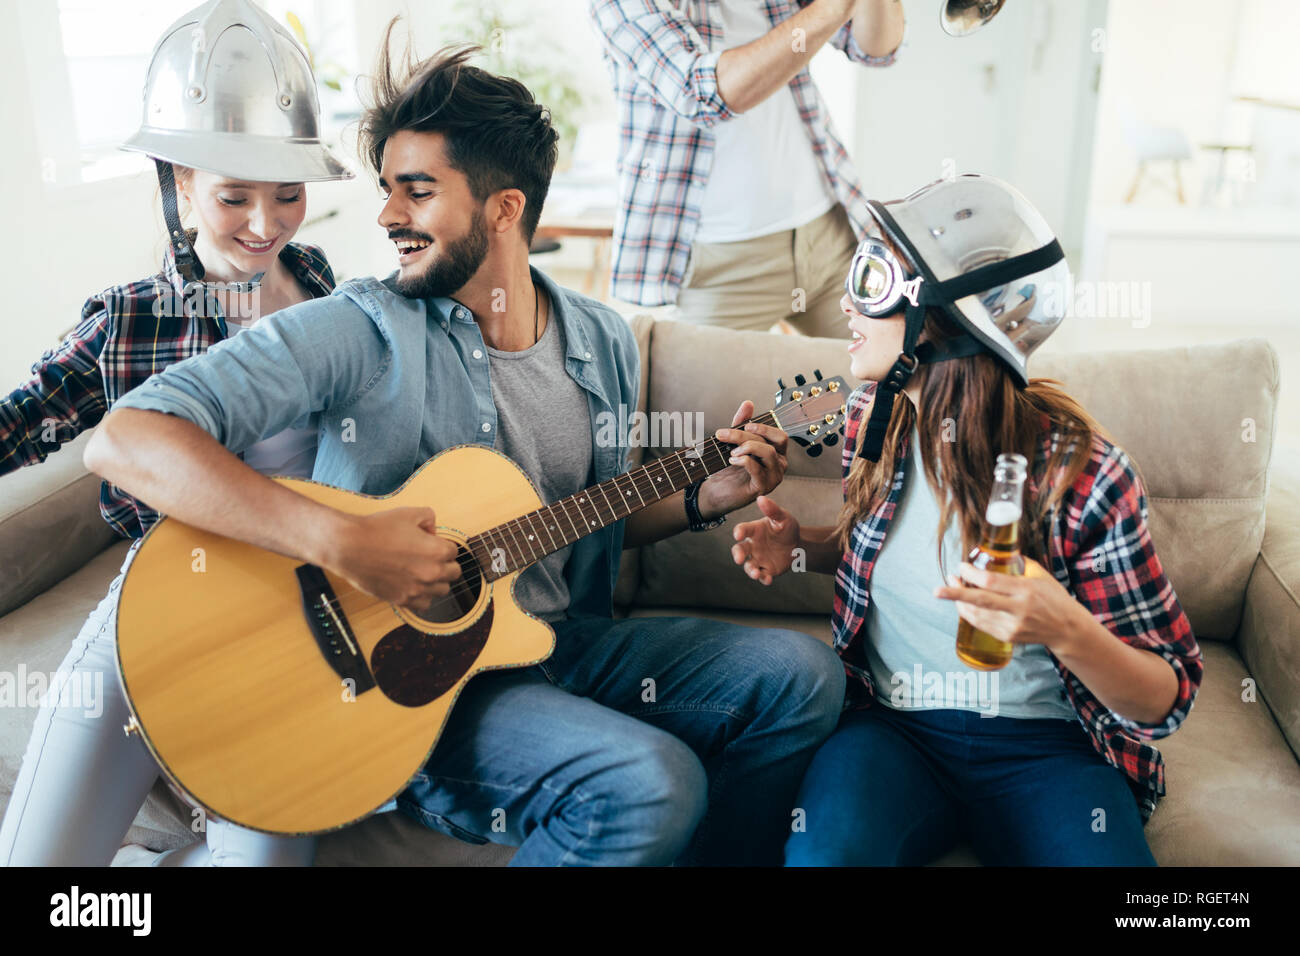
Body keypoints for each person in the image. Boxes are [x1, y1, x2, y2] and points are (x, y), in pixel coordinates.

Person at [82, 27, 846, 867]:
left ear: (504, 208)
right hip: (415, 690)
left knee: (804, 678)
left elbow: (585, 522)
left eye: (415, 192)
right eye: (386, 191)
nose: (386, 216)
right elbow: (127, 439)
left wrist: (707, 495)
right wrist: (344, 541)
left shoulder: (602, 340)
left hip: (566, 645)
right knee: (652, 781)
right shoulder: (364, 325)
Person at [729, 174, 1203, 865]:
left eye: (871, 279)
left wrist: (1064, 626)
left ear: (942, 317)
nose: (844, 303)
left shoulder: (1087, 475)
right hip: (894, 732)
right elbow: (894, 551)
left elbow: (1167, 698)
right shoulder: (874, 416)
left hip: (1051, 751)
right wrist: (798, 545)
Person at [0, 0, 354, 866]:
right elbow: (19, 422)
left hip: (290, 636)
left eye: (288, 194)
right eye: (235, 195)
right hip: (149, 617)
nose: (266, 225)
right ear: (178, 181)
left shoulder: (327, 291)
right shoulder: (130, 321)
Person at [589, 0, 904, 336]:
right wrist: (835, 6)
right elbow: (704, 93)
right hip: (720, 265)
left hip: (831, 234)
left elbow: (876, 48)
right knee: (707, 389)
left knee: (895, 378)